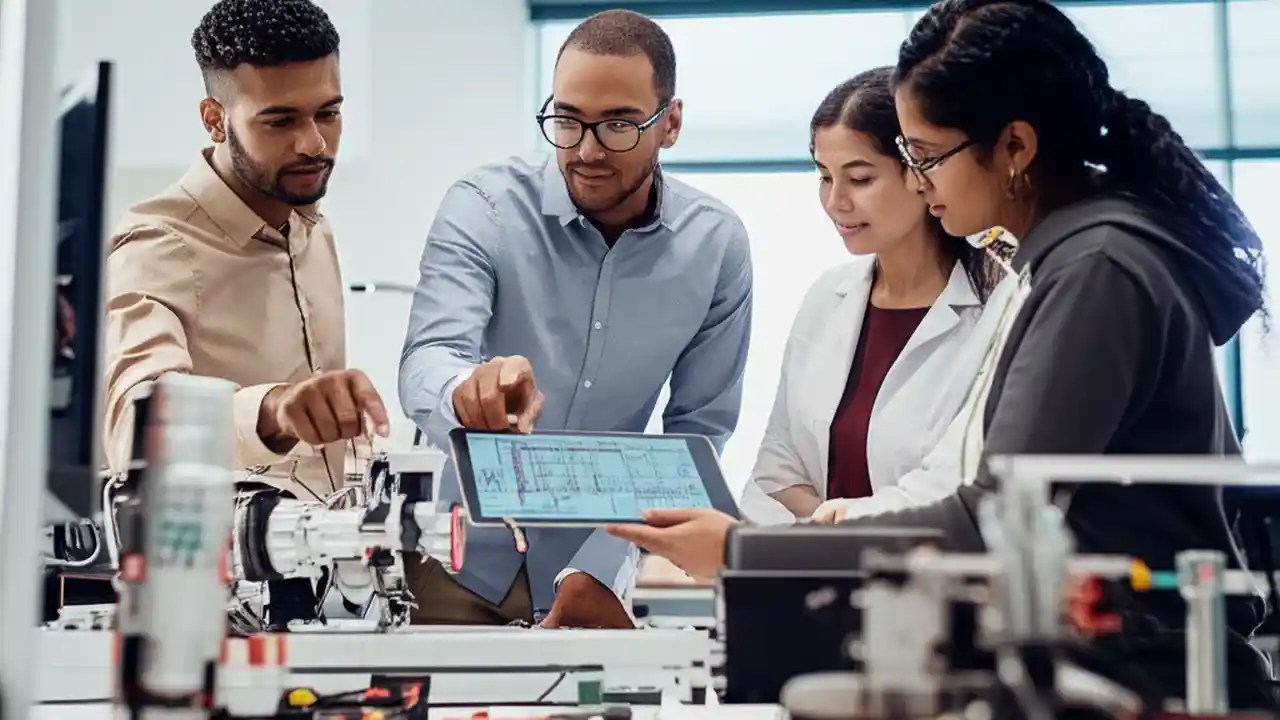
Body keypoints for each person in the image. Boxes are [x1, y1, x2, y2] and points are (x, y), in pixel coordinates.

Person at [609, 0, 1273, 707]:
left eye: (925, 158)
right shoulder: (1072, 261)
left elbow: (989, 517)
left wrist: (743, 553)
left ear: (1015, 148)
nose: (919, 183)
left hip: (1147, 682)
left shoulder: (1098, 271)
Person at [399, 9, 752, 628]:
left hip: (590, 581)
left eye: (617, 124)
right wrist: (464, 389)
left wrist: (602, 565)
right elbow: (428, 357)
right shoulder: (484, 206)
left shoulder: (716, 245)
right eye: (566, 120)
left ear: (669, 123)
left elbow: (696, 435)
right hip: (448, 563)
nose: (586, 150)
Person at [103, 0, 393, 508]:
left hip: (327, 568)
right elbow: (131, 427)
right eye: (280, 121)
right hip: (220, 576)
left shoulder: (310, 224)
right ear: (215, 119)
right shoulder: (155, 242)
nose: (314, 143)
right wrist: (274, 409)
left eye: (329, 113)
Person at [743, 68, 1013, 526]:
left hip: (935, 582)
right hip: (813, 580)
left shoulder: (999, 305)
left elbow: (957, 486)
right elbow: (774, 476)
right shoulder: (828, 296)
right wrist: (829, 536)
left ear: (922, 174)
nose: (835, 202)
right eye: (825, 177)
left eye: (860, 178)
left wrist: (834, 527)